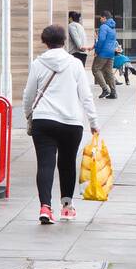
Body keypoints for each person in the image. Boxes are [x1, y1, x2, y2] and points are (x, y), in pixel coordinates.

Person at [22, 24, 98, 225]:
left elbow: (29, 94)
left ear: (44, 41)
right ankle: (67, 207)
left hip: (43, 120)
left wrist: (28, 114)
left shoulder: (37, 64)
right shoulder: (75, 64)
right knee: (67, 164)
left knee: (45, 164)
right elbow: (86, 96)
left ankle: (45, 207)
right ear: (64, 41)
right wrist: (93, 122)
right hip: (71, 123)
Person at [92, 11, 118, 99]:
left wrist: (97, 50)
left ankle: (105, 89)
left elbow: (101, 40)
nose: (100, 19)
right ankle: (113, 92)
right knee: (109, 71)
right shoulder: (113, 27)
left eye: (101, 17)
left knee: (95, 69)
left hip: (103, 52)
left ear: (104, 18)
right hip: (111, 53)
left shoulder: (103, 27)